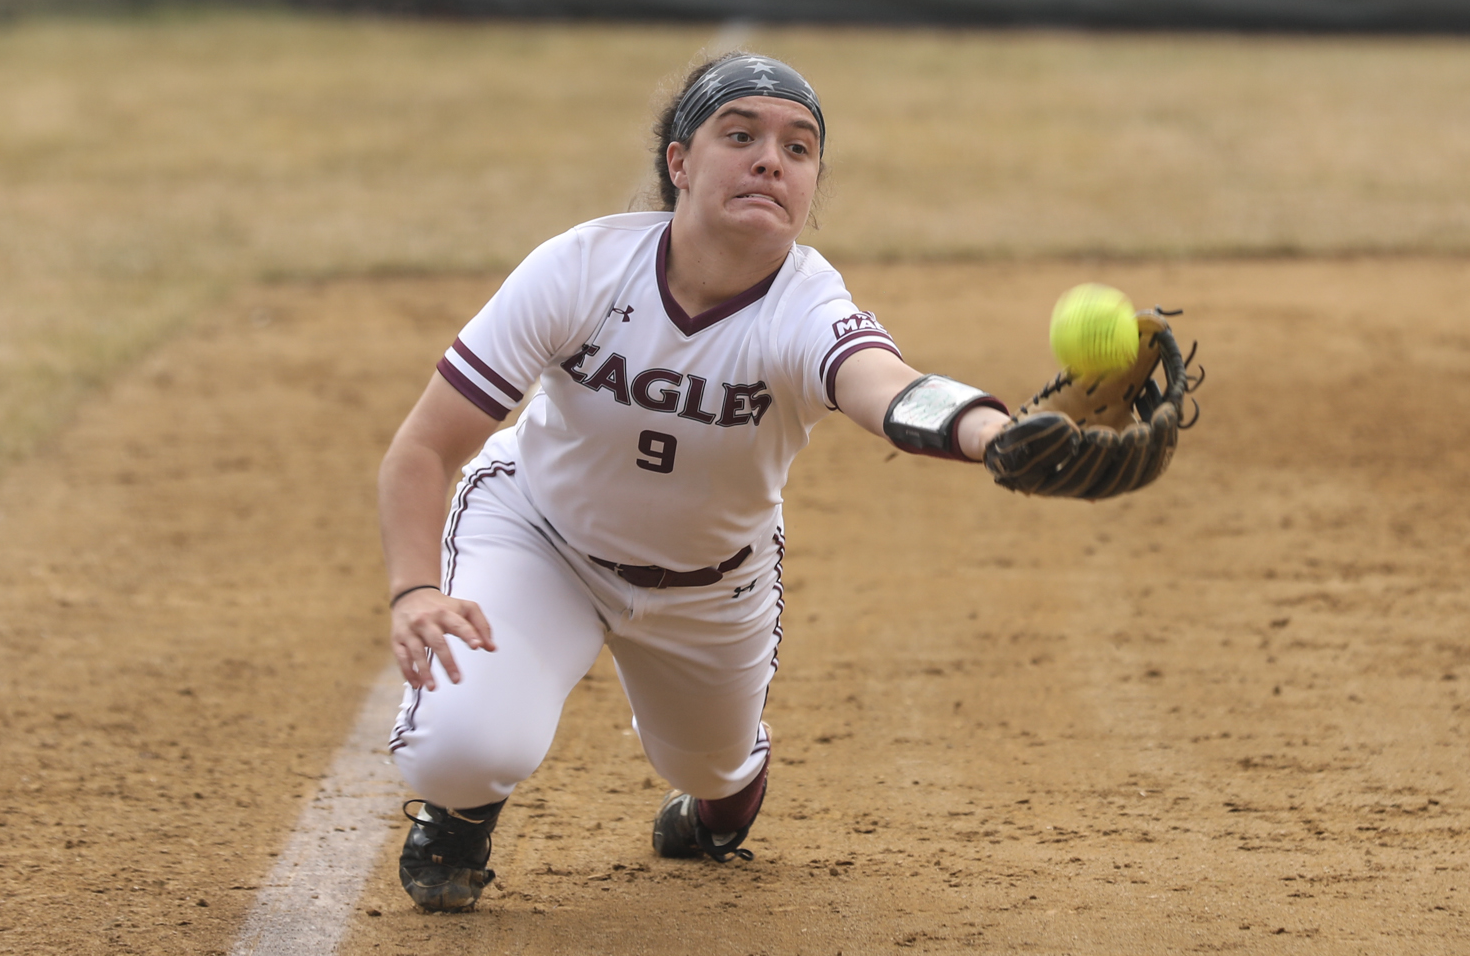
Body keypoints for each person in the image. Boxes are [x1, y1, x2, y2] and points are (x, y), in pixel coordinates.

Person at [377, 51, 1020, 914]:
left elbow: (885, 384)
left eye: (799, 149)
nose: (770, 160)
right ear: (679, 162)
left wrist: (998, 437)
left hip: (710, 588)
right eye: (740, 135)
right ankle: (462, 811)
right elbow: (422, 449)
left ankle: (724, 795)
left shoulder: (806, 305)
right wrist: (415, 590)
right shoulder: (580, 268)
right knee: (460, 744)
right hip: (540, 541)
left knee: (706, 765)